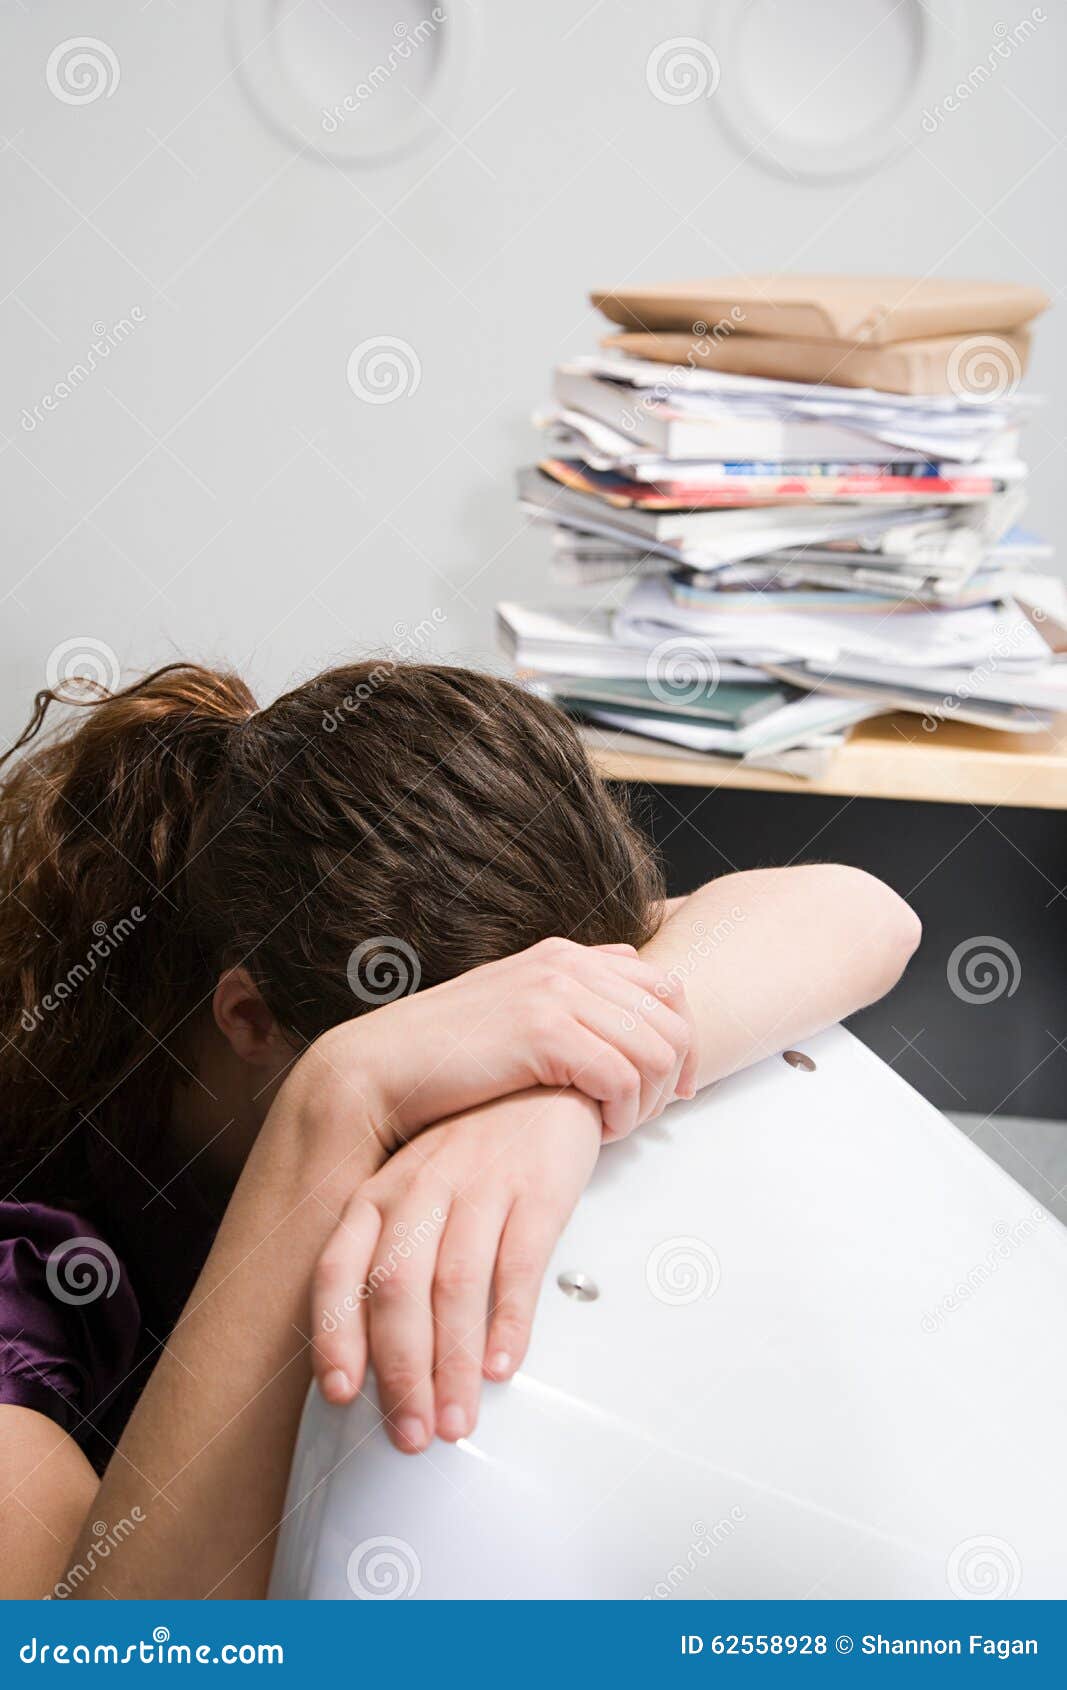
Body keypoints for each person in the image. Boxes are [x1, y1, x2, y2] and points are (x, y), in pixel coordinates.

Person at [0, 660, 920, 1597]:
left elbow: (865, 910)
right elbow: (112, 1656)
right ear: (248, 1022)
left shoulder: (468, 961)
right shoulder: (31, 1283)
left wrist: (555, 1104)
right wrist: (341, 1099)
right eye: (447, 1105)